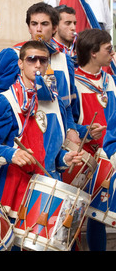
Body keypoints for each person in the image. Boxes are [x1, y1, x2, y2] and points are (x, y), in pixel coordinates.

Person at [0, 40, 84, 221]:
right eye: (31, 59)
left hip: (50, 189)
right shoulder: (4, 100)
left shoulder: (56, 102)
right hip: (14, 190)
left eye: (43, 60)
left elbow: (51, 154)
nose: (37, 65)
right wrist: (11, 153)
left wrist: (64, 158)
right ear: (20, 63)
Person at [0, 2, 80, 145]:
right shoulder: (14, 55)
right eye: (34, 24)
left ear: (54, 28)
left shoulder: (64, 60)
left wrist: (71, 129)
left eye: (44, 24)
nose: (38, 29)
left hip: (55, 138)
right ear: (29, 27)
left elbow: (67, 104)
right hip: (22, 136)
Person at [71, 29, 115, 251]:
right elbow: (66, 121)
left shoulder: (110, 80)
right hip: (82, 159)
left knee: (101, 215)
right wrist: (84, 130)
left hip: (110, 157)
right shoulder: (74, 83)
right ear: (93, 53)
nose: (112, 52)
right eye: (108, 48)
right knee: (76, 218)